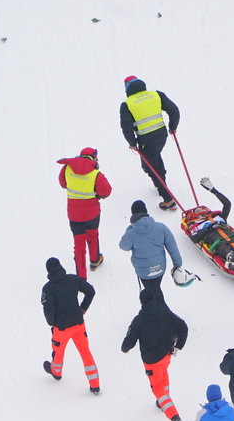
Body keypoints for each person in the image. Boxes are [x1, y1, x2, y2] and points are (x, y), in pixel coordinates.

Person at [121, 288, 189, 421]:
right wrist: (178, 346)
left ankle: (173, 415)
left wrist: (125, 348)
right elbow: (183, 327)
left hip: (152, 361)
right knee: (163, 375)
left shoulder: (138, 321)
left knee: (157, 387)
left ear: (141, 302)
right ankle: (162, 401)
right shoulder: (166, 313)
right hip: (167, 355)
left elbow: (129, 340)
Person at [119, 76, 180, 210]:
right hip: (161, 134)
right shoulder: (156, 94)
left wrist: (132, 143)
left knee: (150, 167)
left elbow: (126, 127)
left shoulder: (127, 104)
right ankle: (161, 182)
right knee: (154, 158)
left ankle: (168, 199)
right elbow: (174, 110)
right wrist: (173, 126)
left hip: (146, 139)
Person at [40, 257, 100, 394]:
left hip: (61, 329)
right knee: (86, 352)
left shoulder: (48, 288)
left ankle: (56, 372)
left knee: (58, 352)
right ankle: (95, 384)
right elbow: (90, 291)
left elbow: (48, 309)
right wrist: (83, 308)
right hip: (78, 324)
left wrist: (52, 322)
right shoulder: (72, 279)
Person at [56, 147, 112, 278]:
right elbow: (106, 191)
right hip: (92, 213)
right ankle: (94, 260)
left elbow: (63, 183)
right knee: (93, 235)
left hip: (74, 214)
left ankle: (81, 277)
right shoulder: (96, 175)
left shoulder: (67, 168)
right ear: (93, 158)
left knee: (78, 244)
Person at [184, 177, 234, 273]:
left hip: (233, 236)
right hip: (217, 242)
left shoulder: (219, 217)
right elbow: (194, 239)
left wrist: (213, 190)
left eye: (202, 210)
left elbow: (227, 204)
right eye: (198, 211)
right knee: (225, 250)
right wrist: (208, 229)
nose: (201, 211)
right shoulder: (196, 225)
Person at [119, 200, 182, 299]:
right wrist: (177, 264)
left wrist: (129, 230)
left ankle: (161, 312)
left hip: (143, 272)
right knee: (155, 290)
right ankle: (158, 310)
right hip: (160, 268)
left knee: (153, 293)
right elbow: (172, 247)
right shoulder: (161, 227)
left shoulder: (131, 233)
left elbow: (123, 246)